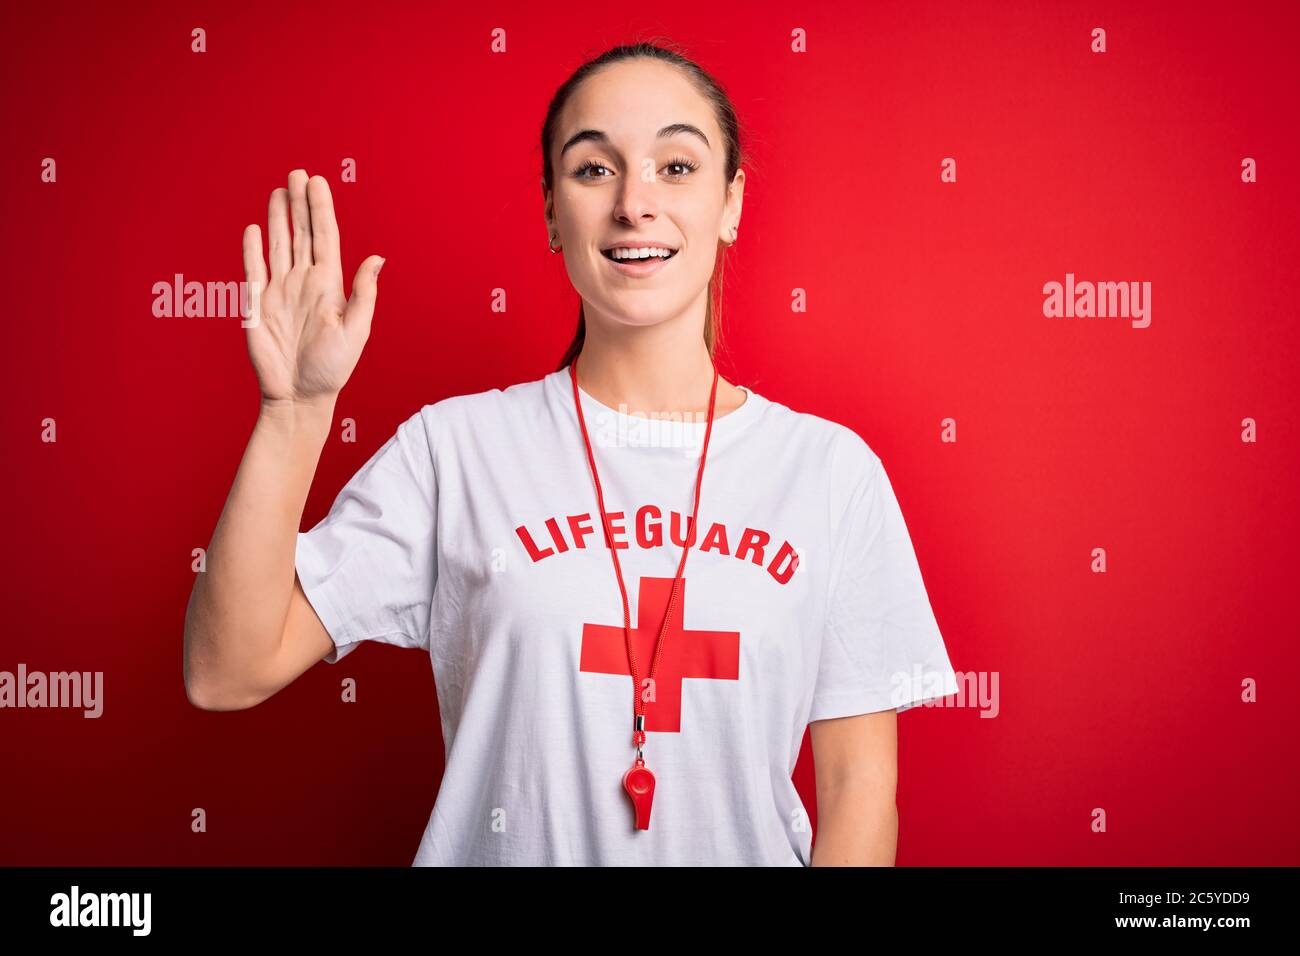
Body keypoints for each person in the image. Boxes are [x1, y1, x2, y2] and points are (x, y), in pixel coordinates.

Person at [183, 41, 959, 867]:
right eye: (594, 170)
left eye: (676, 166)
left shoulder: (830, 473)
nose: (635, 204)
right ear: (553, 212)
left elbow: (858, 795)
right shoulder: (457, 450)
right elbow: (225, 671)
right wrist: (295, 414)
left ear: (731, 202)